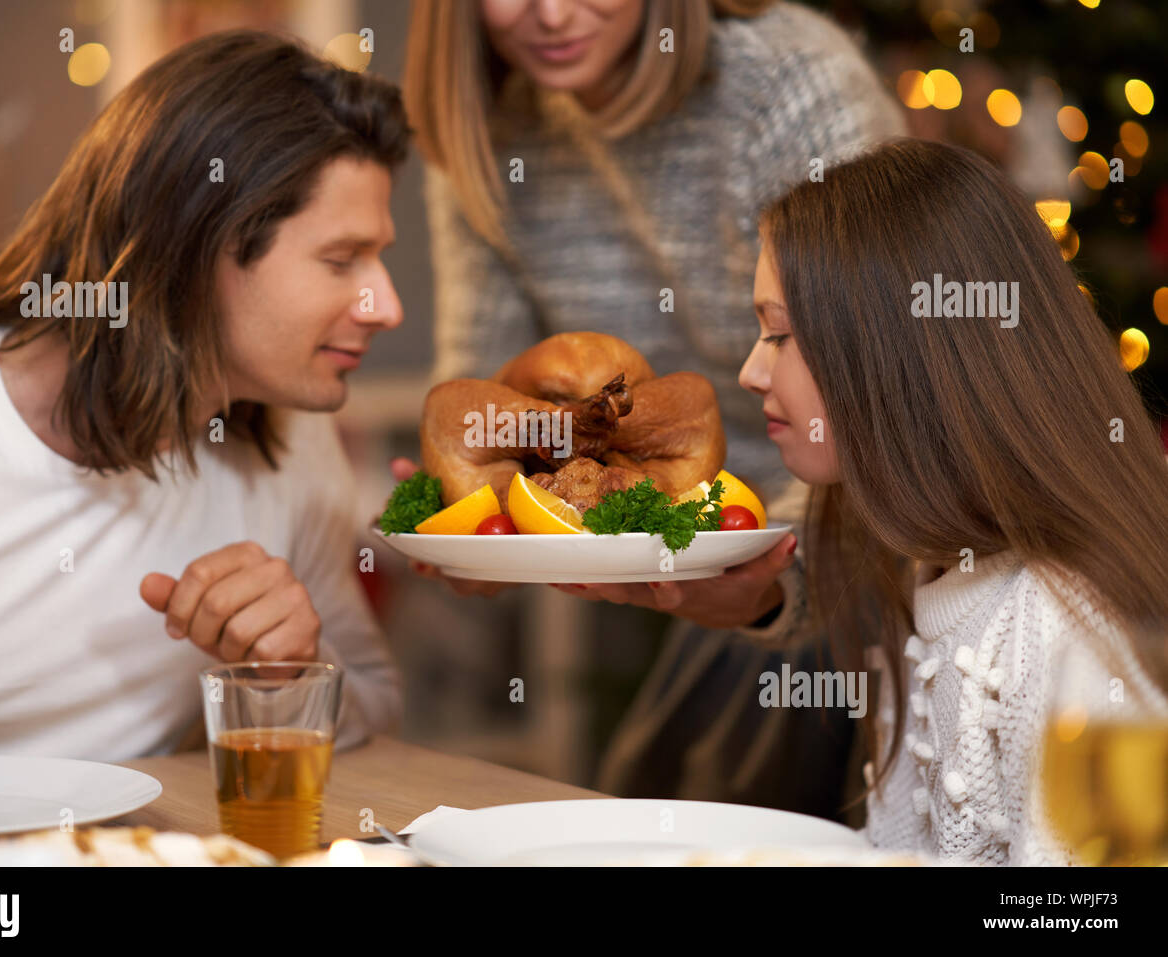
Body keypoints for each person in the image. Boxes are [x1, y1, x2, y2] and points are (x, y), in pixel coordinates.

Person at [402, 0, 904, 819]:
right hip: (692, 550)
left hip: (856, 539)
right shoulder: (485, 128)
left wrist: (780, 588)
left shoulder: (785, 84)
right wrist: (473, 523)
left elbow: (888, 397)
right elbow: (484, 389)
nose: (554, 14)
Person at [0, 31, 407, 760]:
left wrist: (287, 675)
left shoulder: (286, 440)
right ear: (193, 247)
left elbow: (372, 699)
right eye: (341, 260)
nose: (387, 305)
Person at [738, 137, 1168, 862]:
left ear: (894, 350)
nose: (752, 369)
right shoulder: (930, 564)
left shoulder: (1062, 627)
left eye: (780, 333)